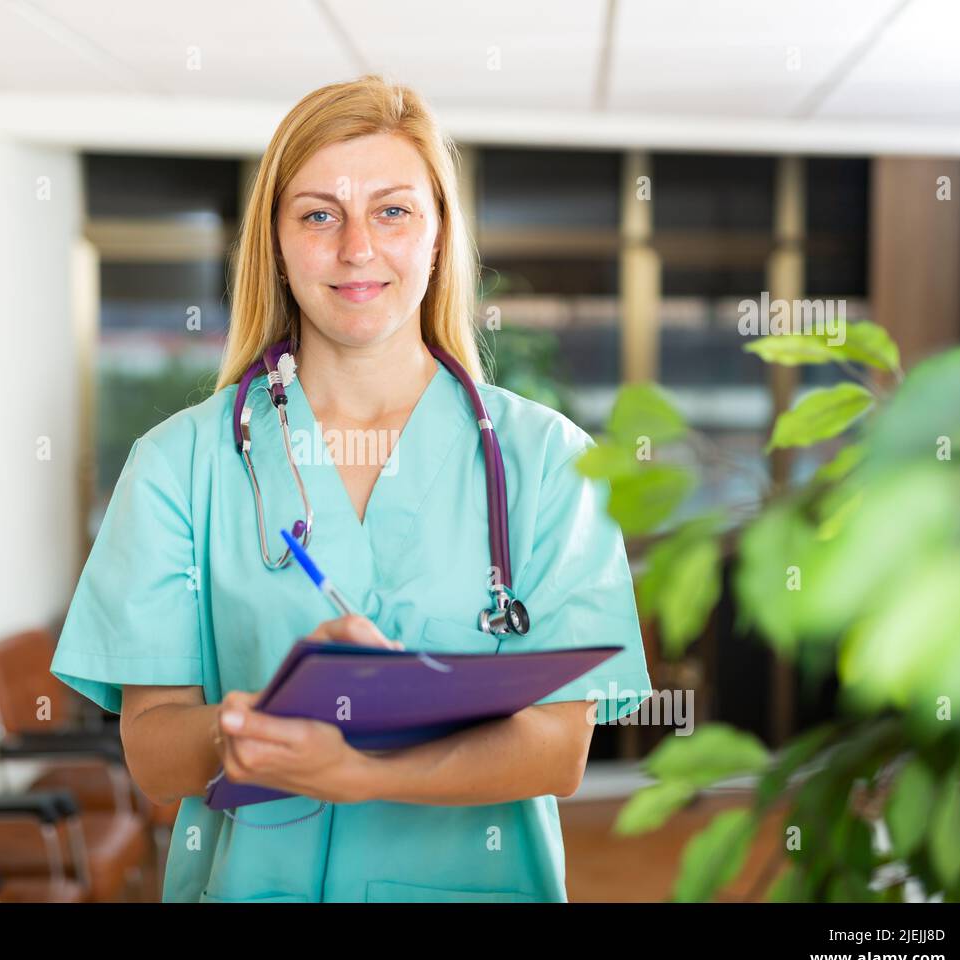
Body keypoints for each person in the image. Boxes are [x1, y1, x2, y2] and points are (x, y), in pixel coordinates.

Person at [50, 74, 652, 902]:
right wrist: (283, 717)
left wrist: (363, 764)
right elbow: (154, 750)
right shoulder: (176, 465)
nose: (357, 248)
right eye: (319, 213)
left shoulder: (550, 463)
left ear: (439, 236)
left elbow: (559, 749)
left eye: (394, 210)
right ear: (277, 241)